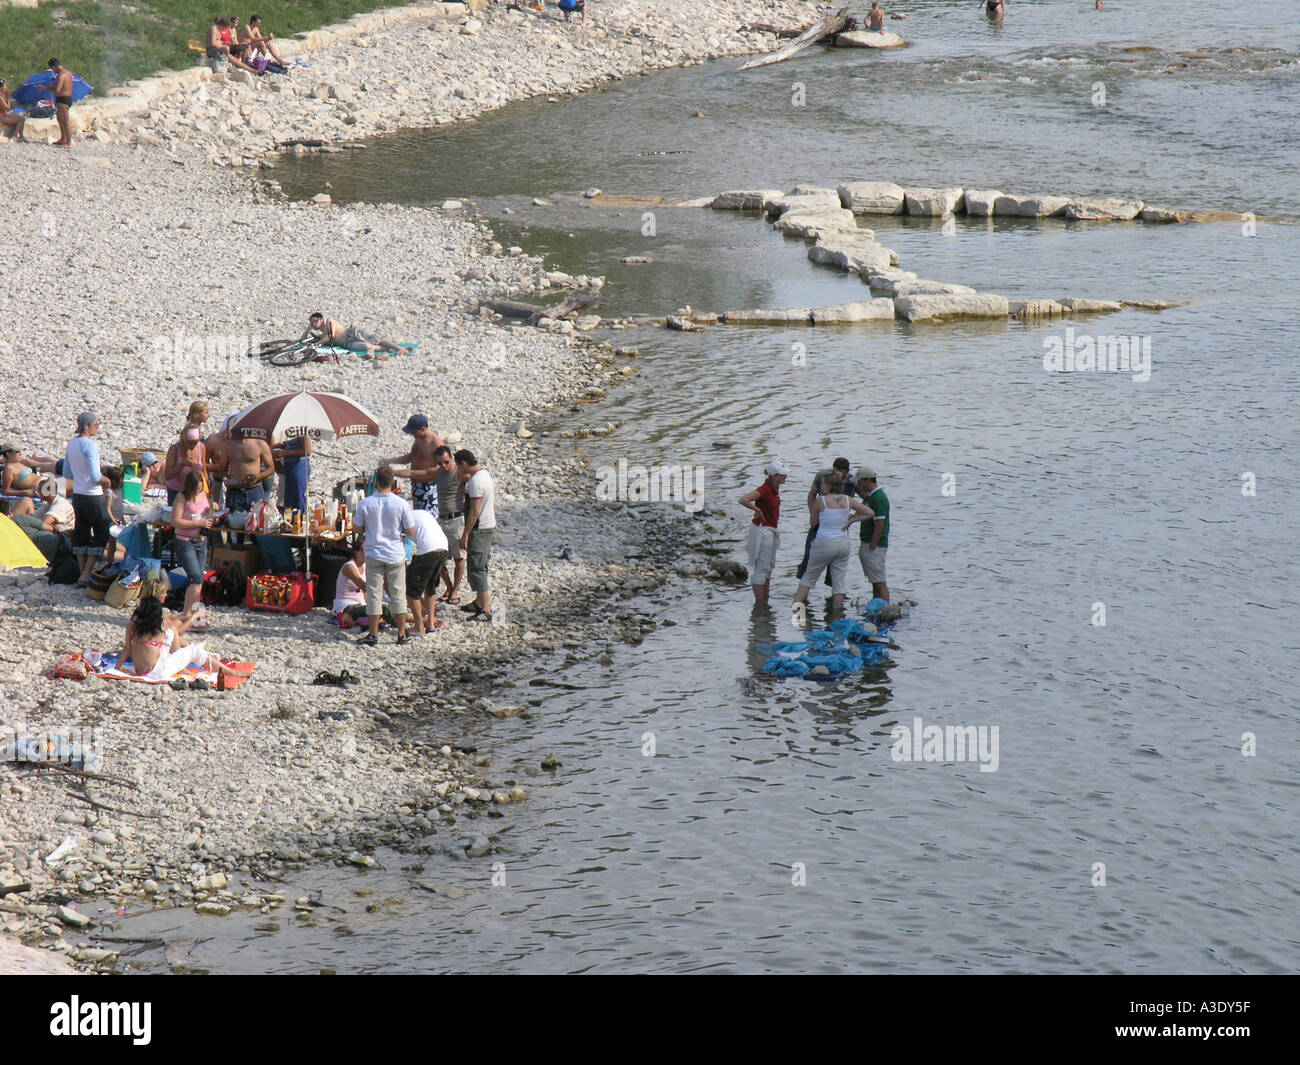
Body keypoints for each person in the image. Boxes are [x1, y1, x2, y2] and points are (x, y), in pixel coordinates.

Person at [792, 471, 874, 617]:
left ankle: (797, 615)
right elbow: (869, 512)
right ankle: (836, 617)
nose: (821, 486)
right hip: (843, 543)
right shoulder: (848, 499)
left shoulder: (821, 500)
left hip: (824, 542)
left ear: (829, 485)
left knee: (808, 578)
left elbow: (813, 523)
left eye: (822, 483)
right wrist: (852, 519)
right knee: (839, 581)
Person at [121, 594, 248, 684]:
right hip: (158, 672)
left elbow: (126, 650)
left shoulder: (133, 627)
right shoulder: (160, 628)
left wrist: (116, 669)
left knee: (169, 637)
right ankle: (230, 672)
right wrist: (193, 617)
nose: (166, 594)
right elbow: (178, 631)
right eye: (164, 592)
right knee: (193, 649)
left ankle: (186, 666)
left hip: (141, 672)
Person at [352, 466, 415, 645]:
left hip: (373, 552)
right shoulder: (401, 504)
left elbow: (356, 528)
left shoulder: (366, 503)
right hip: (395, 553)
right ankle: (402, 633)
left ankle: (373, 634)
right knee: (398, 594)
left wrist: (368, 528)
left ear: (376, 482)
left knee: (373, 594)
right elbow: (410, 530)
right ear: (393, 482)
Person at [65, 412, 111, 584]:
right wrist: (108, 480)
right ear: (87, 426)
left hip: (78, 494)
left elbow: (67, 472)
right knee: (102, 532)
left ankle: (81, 573)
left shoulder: (72, 444)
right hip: (93, 495)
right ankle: (85, 574)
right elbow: (95, 475)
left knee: (81, 532)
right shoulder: (90, 445)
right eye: (96, 424)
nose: (97, 428)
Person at [796, 457, 857, 581]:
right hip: (821, 520)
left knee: (836, 561)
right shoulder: (822, 476)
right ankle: (803, 584)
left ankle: (833, 589)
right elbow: (812, 494)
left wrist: (852, 517)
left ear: (848, 471)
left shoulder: (853, 481)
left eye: (842, 473)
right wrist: (813, 514)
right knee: (809, 554)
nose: (838, 476)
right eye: (836, 472)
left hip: (839, 524)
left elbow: (865, 499)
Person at [455, 450, 496, 623]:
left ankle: (485, 608)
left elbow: (474, 511)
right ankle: (478, 601)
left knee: (478, 567)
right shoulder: (483, 474)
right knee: (480, 563)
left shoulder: (476, 482)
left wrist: (465, 534)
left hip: (480, 529)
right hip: (488, 525)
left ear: (463, 464)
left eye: (457, 466)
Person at [738, 461, 787, 605]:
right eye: (782, 475)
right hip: (763, 532)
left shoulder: (775, 489)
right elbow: (743, 499)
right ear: (774, 476)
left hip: (771, 531)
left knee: (770, 566)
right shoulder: (765, 490)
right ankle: (759, 605)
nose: (785, 478)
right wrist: (756, 509)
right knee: (762, 567)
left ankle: (765, 600)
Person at [170, 471, 213, 621]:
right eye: (197, 489)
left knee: (197, 577)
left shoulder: (203, 495)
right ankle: (191, 614)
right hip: (185, 540)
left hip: (201, 540)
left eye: (201, 488)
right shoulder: (182, 498)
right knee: (196, 577)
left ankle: (188, 612)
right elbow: (175, 521)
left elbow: (204, 511)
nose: (199, 491)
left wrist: (211, 510)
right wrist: (198, 523)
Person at [406, 508, 449, 635]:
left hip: (428, 549)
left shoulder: (402, 518)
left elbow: (400, 544)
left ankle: (419, 627)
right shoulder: (420, 513)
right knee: (430, 585)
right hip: (443, 547)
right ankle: (430, 623)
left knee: (411, 590)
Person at [852, 466, 891, 603]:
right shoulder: (871, 496)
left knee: (880, 581)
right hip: (868, 542)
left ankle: (885, 607)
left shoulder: (879, 498)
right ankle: (876, 603)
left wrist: (873, 546)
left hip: (875, 545)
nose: (858, 485)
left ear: (868, 480)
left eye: (860, 482)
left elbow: (879, 525)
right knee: (874, 580)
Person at [333, 541, 392, 627]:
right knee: (383, 609)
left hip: (360, 603)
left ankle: (408, 619)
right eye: (364, 550)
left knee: (379, 609)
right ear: (355, 552)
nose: (367, 553)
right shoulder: (349, 567)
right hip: (345, 605)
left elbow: (365, 593)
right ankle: (409, 620)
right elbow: (364, 587)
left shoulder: (364, 566)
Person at [301, 312, 403, 359]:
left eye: (315, 321)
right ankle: (384, 349)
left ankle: (399, 348)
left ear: (321, 319)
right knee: (366, 346)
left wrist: (317, 343)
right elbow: (302, 340)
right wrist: (308, 328)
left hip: (353, 333)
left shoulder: (329, 322)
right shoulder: (321, 333)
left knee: (377, 340)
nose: (313, 324)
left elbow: (330, 336)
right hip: (348, 344)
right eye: (311, 323)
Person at [223, 428, 273, 512]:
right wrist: (228, 480)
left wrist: (257, 476)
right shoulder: (228, 446)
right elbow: (222, 469)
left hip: (255, 490)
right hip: (234, 491)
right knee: (233, 522)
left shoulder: (260, 444)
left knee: (256, 522)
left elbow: (270, 468)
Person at [163, 424, 207, 506]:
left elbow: (204, 470)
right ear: (183, 440)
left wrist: (207, 487)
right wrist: (181, 464)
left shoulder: (201, 447)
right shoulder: (174, 449)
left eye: (195, 443)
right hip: (176, 490)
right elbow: (167, 475)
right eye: (190, 443)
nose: (193, 446)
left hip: (195, 491)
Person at [272, 433, 311, 513]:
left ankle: (299, 517)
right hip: (290, 465)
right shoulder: (293, 430)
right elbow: (292, 443)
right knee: (289, 498)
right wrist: (281, 445)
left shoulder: (301, 430)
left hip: (298, 465)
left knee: (297, 496)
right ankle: (291, 519)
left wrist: (284, 453)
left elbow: (308, 451)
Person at [48, 60, 74, 148]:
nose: (53, 72)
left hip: (63, 99)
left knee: (65, 120)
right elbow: (58, 86)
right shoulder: (68, 73)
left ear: (53, 67)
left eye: (52, 70)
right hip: (66, 98)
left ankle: (69, 142)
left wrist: (48, 89)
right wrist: (45, 88)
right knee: (60, 118)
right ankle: (63, 139)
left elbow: (57, 90)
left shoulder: (61, 75)